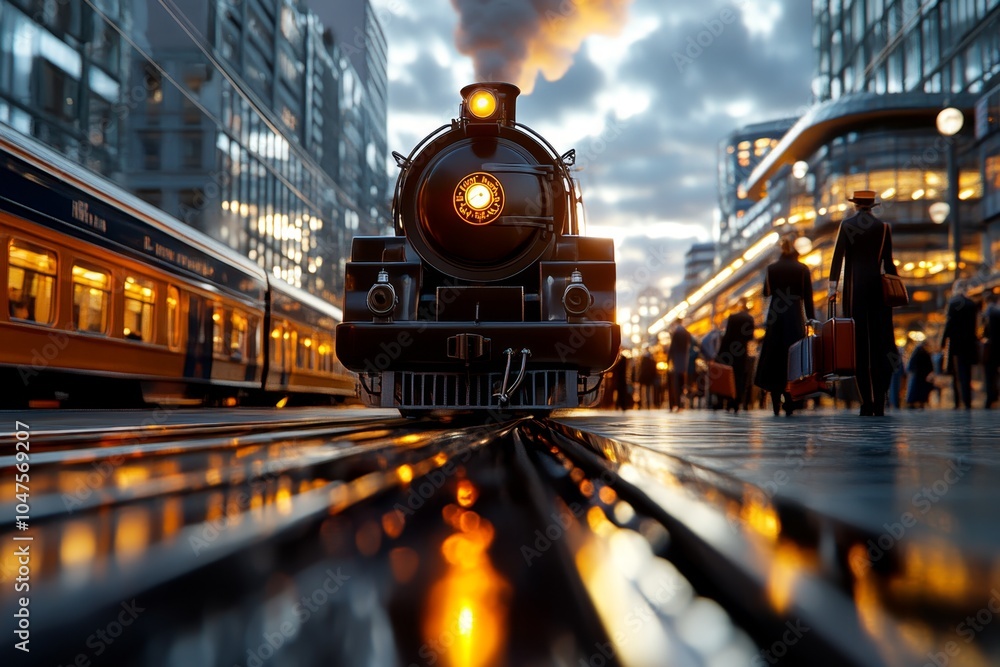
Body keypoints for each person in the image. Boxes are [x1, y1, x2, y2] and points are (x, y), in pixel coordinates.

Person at [827, 189, 899, 416]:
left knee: (858, 345)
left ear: (855, 205)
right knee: (880, 344)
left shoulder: (847, 225)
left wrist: (832, 290)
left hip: (854, 290)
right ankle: (880, 401)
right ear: (872, 206)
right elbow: (889, 264)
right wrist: (897, 289)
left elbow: (838, 258)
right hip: (878, 292)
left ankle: (865, 401)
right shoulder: (883, 228)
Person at [753, 236, 815, 416]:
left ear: (781, 249)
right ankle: (790, 401)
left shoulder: (772, 268)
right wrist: (810, 320)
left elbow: (766, 293)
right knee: (793, 358)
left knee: (774, 357)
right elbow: (808, 298)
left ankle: (775, 403)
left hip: (776, 315)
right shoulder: (802, 269)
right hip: (795, 316)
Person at [940, 280, 979, 410]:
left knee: (956, 373)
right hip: (969, 343)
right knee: (967, 373)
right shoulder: (972, 304)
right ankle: (967, 400)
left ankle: (957, 401)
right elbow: (975, 326)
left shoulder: (953, 303)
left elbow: (949, 324)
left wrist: (943, 341)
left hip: (956, 344)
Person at [717, 297, 755, 413]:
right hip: (742, 352)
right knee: (740, 377)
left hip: (731, 351)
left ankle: (729, 401)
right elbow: (750, 337)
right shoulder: (749, 318)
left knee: (730, 377)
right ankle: (738, 402)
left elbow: (727, 336)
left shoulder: (732, 317)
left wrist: (720, 354)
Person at [666, 317, 692, 411]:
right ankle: (680, 404)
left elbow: (672, 348)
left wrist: (668, 360)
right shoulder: (686, 332)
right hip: (684, 362)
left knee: (675, 384)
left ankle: (676, 403)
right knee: (682, 383)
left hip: (676, 362)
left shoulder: (676, 332)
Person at [905, 342, 934, 409]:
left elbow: (911, 366)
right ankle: (919, 403)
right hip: (921, 376)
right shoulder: (925, 354)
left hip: (918, 375)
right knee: (920, 390)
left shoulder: (917, 353)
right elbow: (929, 366)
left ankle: (913, 403)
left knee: (915, 390)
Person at [983, 292, 1000, 409]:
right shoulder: (998, 312)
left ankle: (990, 398)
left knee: (990, 375)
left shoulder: (987, 313)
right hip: (998, 347)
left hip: (990, 349)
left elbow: (984, 332)